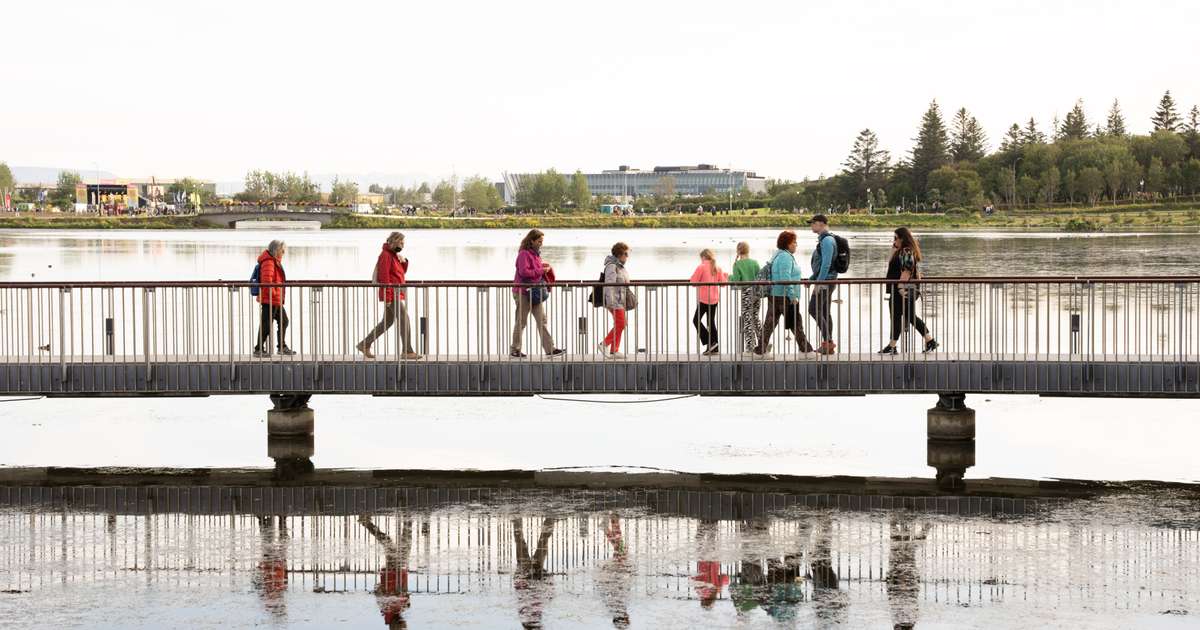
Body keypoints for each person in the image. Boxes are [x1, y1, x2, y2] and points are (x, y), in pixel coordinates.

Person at [357, 232, 421, 360]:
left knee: (387, 322)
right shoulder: (385, 255)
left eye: (403, 243)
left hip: (394, 293)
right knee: (404, 318)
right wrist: (387, 297)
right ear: (394, 241)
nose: (403, 245)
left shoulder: (393, 255)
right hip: (392, 294)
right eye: (401, 242)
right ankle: (407, 351)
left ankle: (365, 344)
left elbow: (400, 273)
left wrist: (404, 261)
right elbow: (384, 277)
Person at [878, 227, 938, 354]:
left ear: (902, 238)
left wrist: (900, 287)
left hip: (903, 289)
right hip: (900, 288)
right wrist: (893, 249)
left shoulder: (906, 251)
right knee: (901, 316)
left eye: (895, 238)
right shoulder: (901, 251)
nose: (894, 240)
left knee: (907, 316)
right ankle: (894, 345)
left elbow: (907, 270)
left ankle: (929, 341)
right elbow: (891, 264)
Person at [754, 231, 813, 356]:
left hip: (775, 295)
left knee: (769, 324)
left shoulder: (778, 254)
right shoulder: (785, 257)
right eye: (794, 242)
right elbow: (785, 277)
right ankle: (806, 351)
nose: (796, 245)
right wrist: (792, 296)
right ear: (788, 244)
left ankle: (760, 351)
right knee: (796, 324)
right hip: (785, 296)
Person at [510, 229, 565, 358]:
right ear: (532, 241)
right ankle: (515, 349)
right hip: (523, 292)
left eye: (542, 241)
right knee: (521, 321)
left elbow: (534, 270)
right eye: (539, 241)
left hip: (535, 292)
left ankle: (550, 349)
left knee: (542, 320)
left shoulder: (536, 255)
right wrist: (541, 270)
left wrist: (542, 268)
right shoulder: (524, 254)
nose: (541, 243)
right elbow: (524, 272)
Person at [359, 515, 414, 629]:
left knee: (390, 542)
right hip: (400, 570)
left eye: (402, 628)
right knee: (396, 542)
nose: (405, 626)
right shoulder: (400, 610)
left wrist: (387, 593)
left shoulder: (386, 609)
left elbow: (377, 589)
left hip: (392, 570)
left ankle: (407, 518)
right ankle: (407, 518)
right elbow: (405, 592)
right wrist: (405, 599)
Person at [254, 239, 294, 357]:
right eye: (282, 250)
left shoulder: (274, 261)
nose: (283, 253)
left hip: (274, 299)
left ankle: (281, 347)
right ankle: (259, 349)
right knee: (266, 324)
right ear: (276, 250)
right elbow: (267, 282)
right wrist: (275, 294)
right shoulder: (269, 262)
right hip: (270, 299)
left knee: (283, 321)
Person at [808, 214, 838, 355]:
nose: (811, 226)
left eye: (813, 223)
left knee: (813, 309)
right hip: (827, 281)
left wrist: (818, 283)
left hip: (826, 282)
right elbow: (820, 265)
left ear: (820, 224)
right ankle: (828, 344)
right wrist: (811, 279)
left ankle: (828, 343)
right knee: (825, 312)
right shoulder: (825, 240)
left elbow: (826, 264)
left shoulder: (827, 241)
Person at [689, 249, 728, 356]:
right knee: (711, 322)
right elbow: (724, 284)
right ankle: (715, 347)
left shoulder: (701, 267)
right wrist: (725, 275)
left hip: (704, 299)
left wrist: (693, 278)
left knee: (696, 320)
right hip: (714, 299)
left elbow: (693, 282)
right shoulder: (717, 267)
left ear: (703, 257)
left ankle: (711, 342)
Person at [600, 242, 633, 358]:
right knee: (621, 323)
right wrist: (610, 303)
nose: (627, 256)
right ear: (619, 254)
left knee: (621, 323)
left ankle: (614, 351)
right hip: (614, 300)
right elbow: (609, 285)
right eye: (625, 254)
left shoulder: (619, 266)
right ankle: (604, 344)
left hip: (620, 299)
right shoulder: (611, 266)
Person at [729, 242, 761, 353]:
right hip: (757, 293)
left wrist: (729, 277)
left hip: (746, 293)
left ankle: (750, 347)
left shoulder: (737, 264)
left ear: (738, 251)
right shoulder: (755, 263)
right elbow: (759, 278)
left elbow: (737, 281)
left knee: (747, 319)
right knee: (755, 317)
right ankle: (763, 342)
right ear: (748, 250)